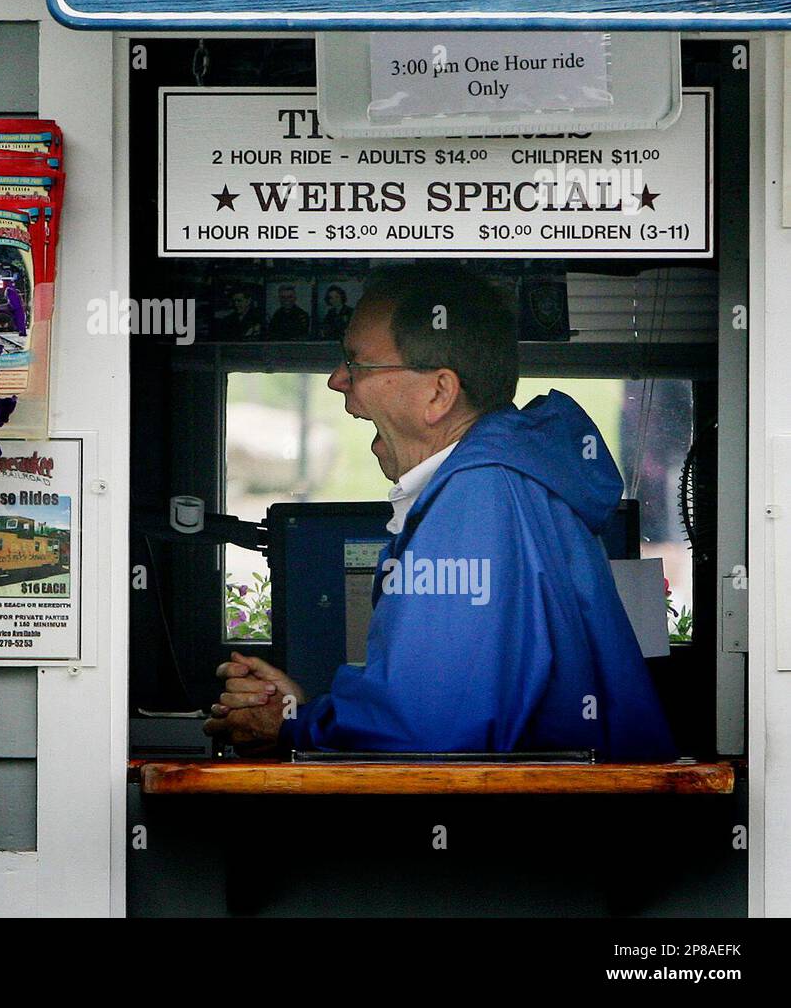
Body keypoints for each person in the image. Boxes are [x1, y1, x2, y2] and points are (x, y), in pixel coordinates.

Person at [205, 264, 676, 761]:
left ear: (439, 393)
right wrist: (301, 712)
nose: (336, 380)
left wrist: (293, 727)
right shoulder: (512, 481)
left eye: (357, 364)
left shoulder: (478, 495)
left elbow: (426, 731)